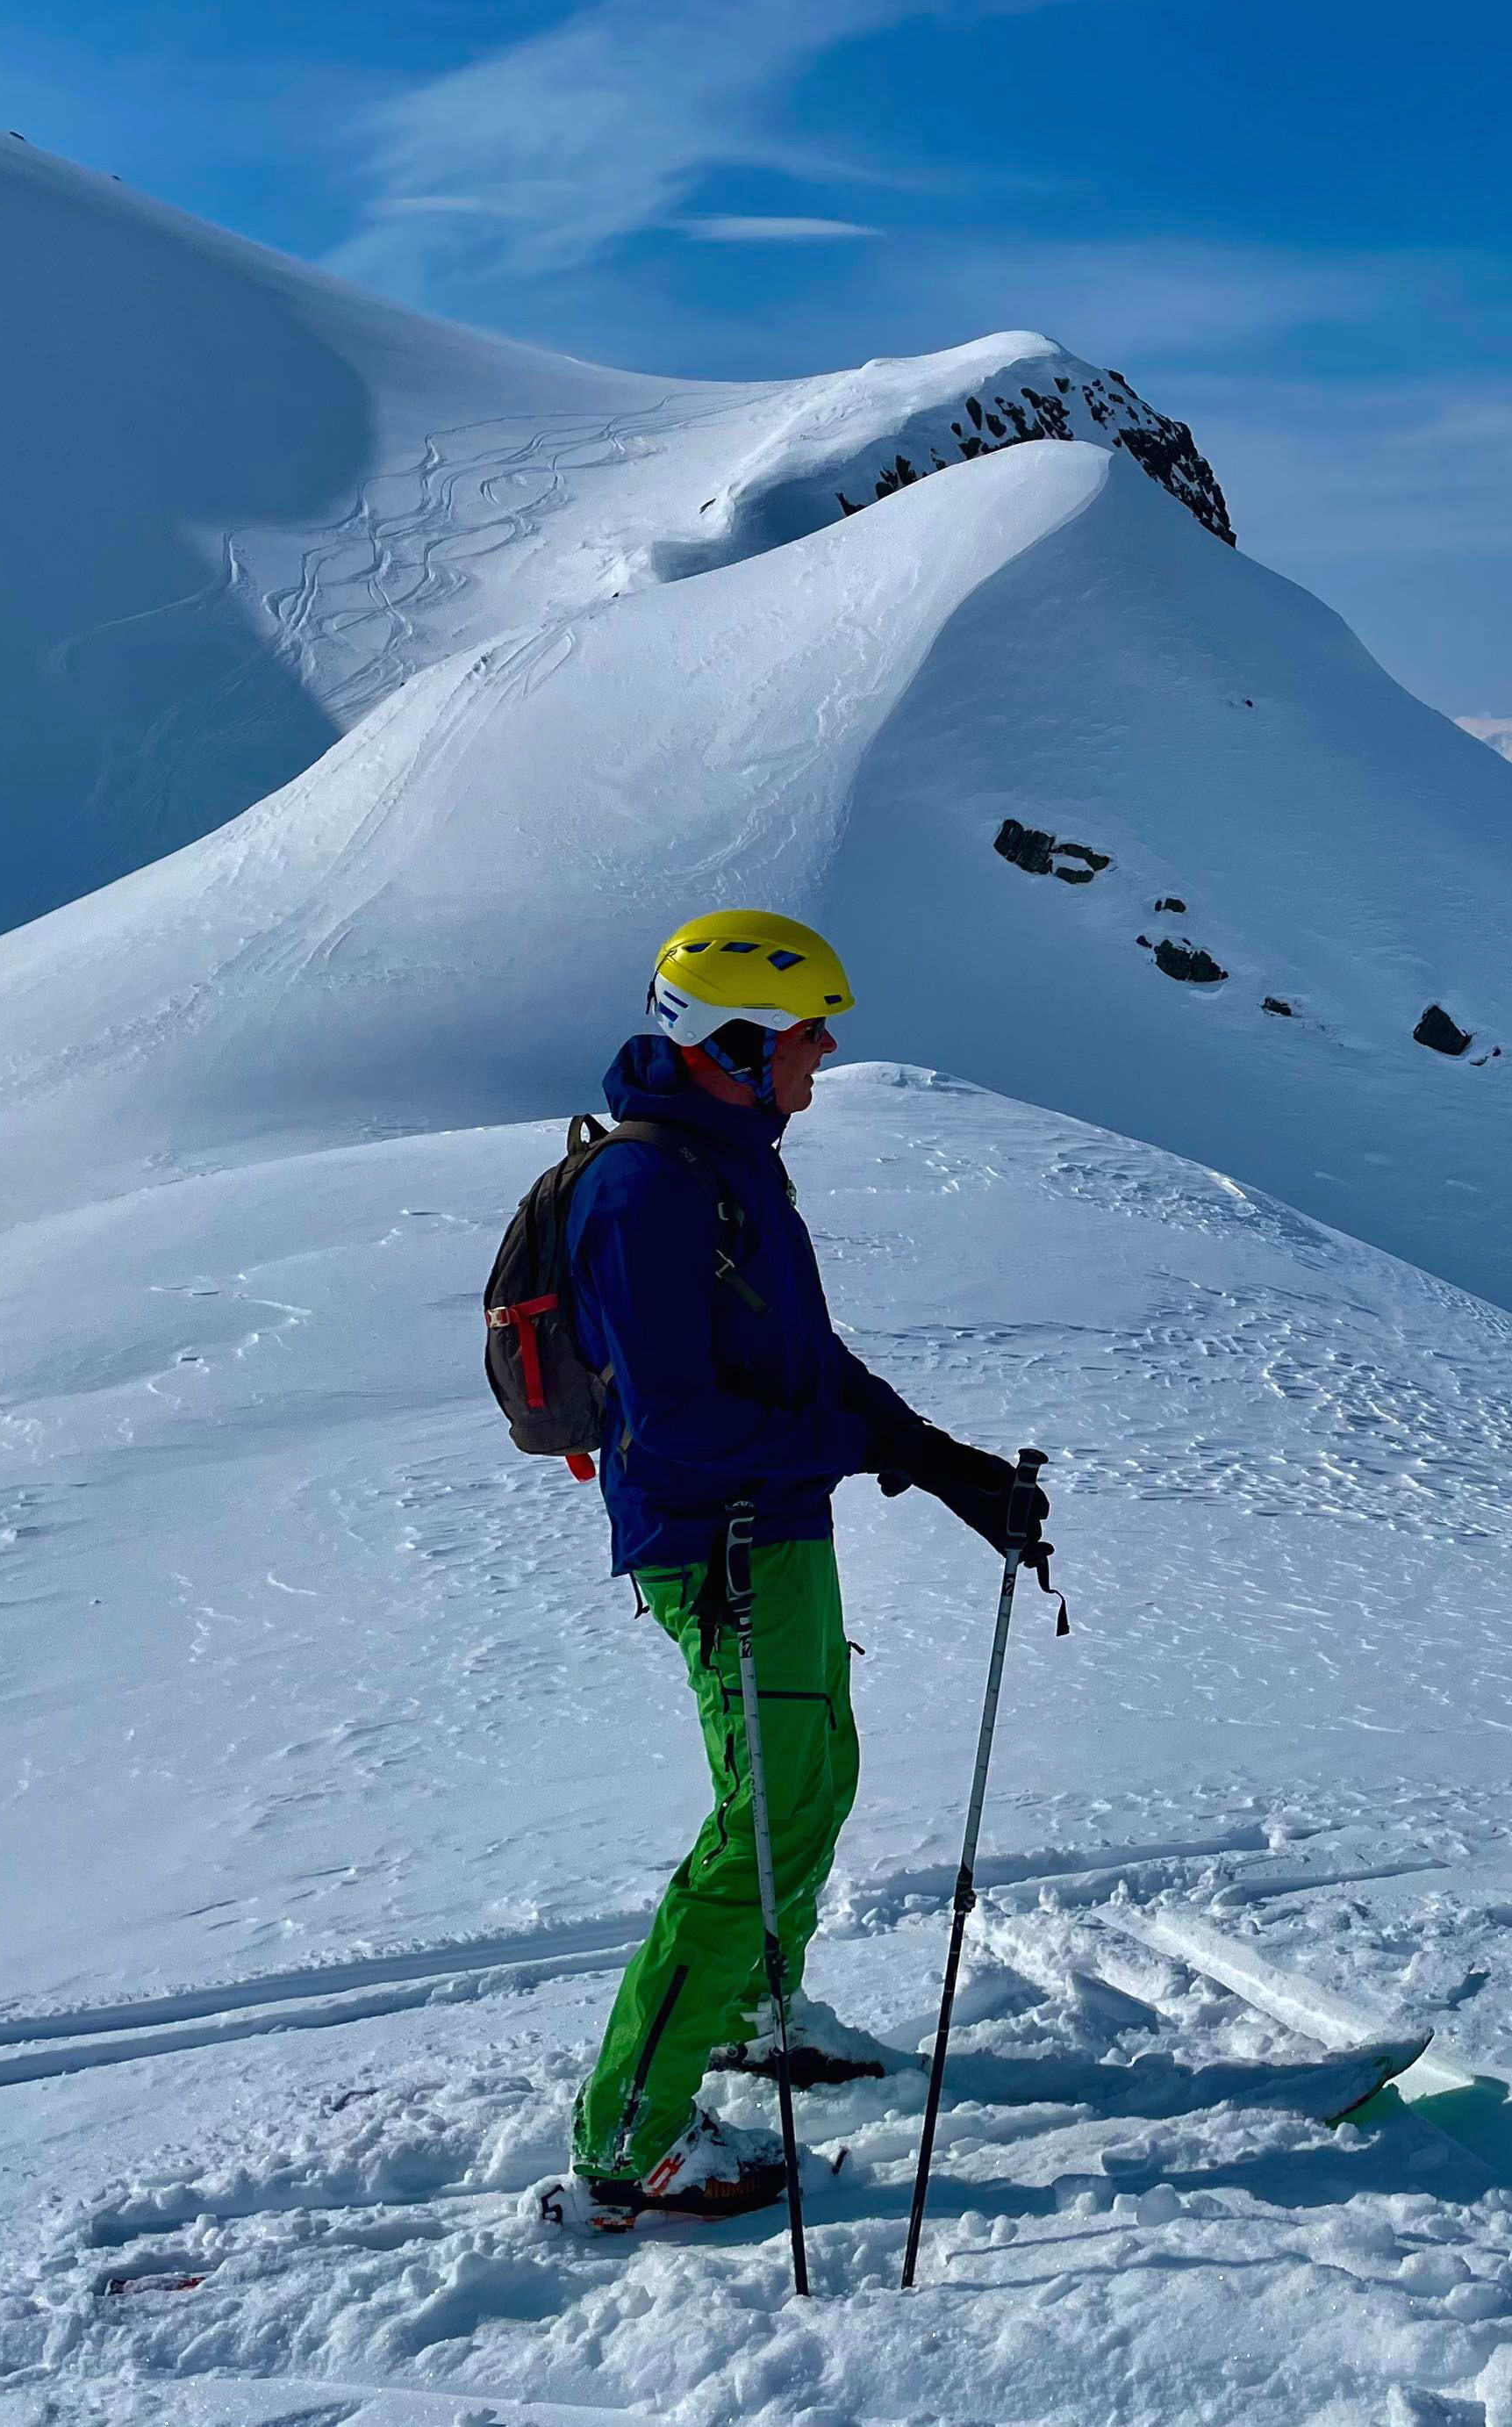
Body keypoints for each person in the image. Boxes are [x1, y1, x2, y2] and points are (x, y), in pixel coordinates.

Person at [559, 907, 1046, 2223]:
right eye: (804, 1029)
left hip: (772, 1531)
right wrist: (853, 1445)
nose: (826, 1047)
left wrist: (942, 1464)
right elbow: (684, 1419)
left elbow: (800, 1365)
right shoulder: (647, 1189)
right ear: (731, 1042)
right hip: (717, 1544)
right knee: (758, 1828)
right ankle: (628, 2136)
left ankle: (752, 2015)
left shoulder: (736, 1164)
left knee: (814, 1779)